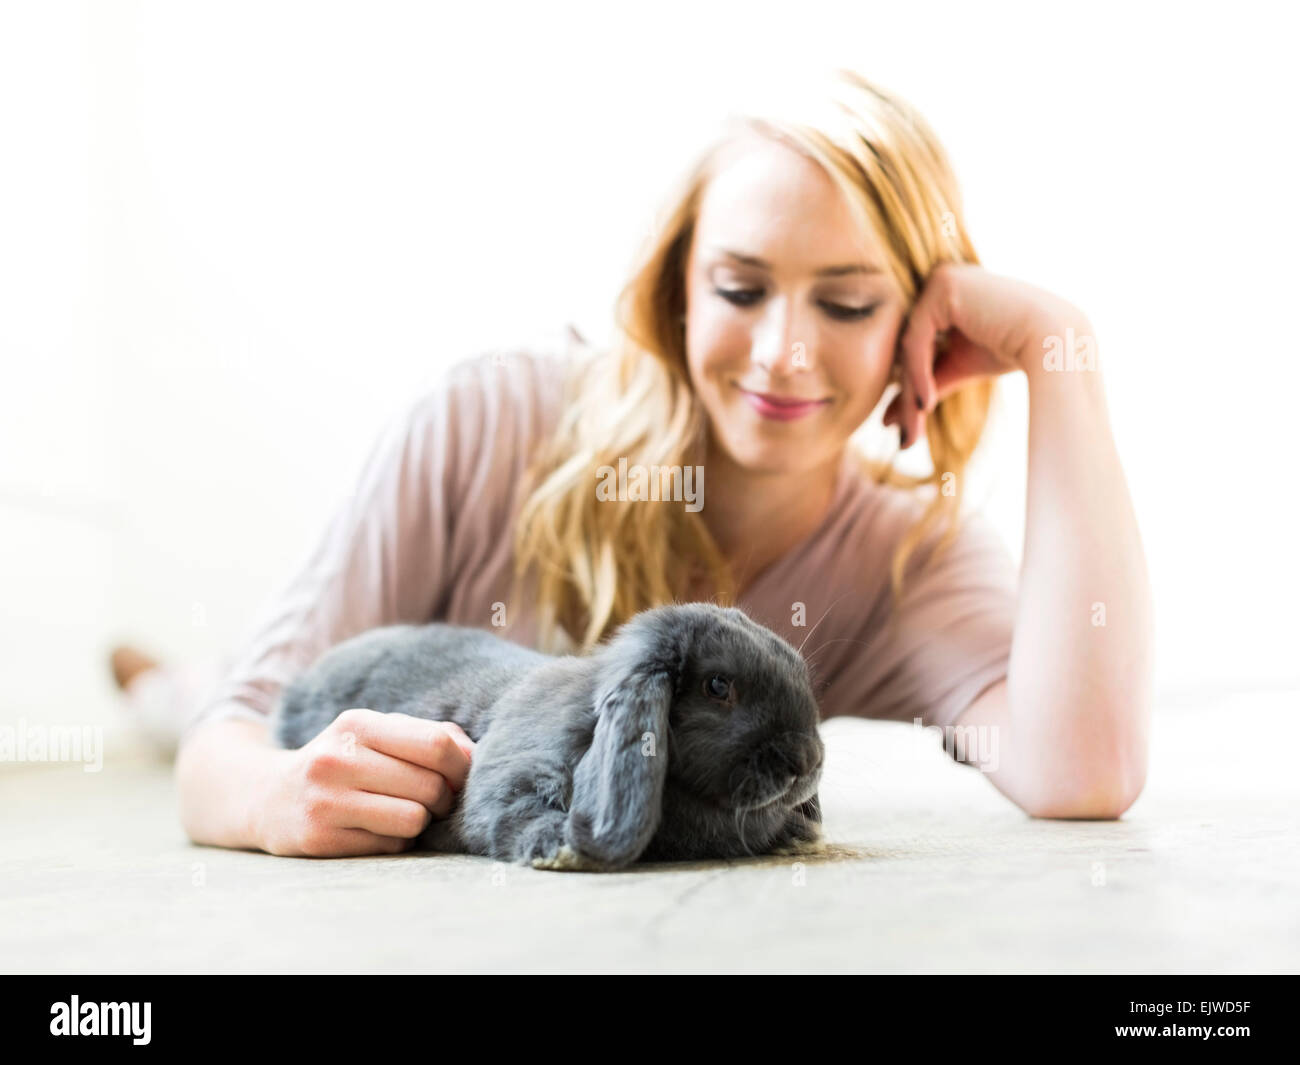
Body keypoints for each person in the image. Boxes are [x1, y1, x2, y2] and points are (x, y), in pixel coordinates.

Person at [114, 67, 1152, 858]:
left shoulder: (903, 559)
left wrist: (1060, 355)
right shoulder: (483, 421)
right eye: (741, 289)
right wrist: (268, 796)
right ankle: (163, 684)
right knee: (207, 694)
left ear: (916, 325)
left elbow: (1083, 772)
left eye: (845, 302)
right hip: (363, 678)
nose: (785, 352)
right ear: (677, 295)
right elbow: (237, 736)